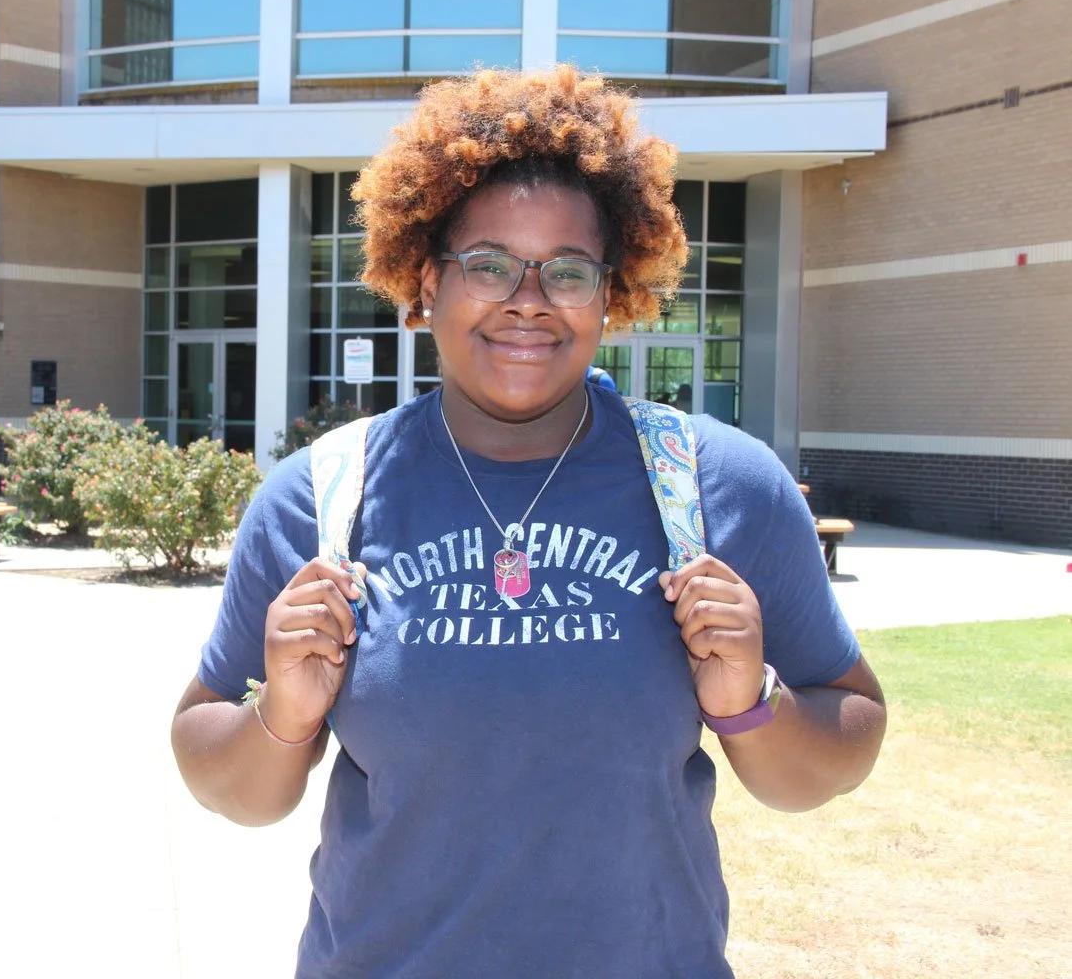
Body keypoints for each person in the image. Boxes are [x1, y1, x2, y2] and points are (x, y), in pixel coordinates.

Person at [171, 66, 886, 978]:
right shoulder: (321, 496)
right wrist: (283, 715)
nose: (528, 300)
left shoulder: (718, 485)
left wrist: (752, 703)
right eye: (489, 264)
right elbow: (225, 783)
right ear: (425, 279)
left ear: (610, 295)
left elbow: (839, 752)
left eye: (569, 272)